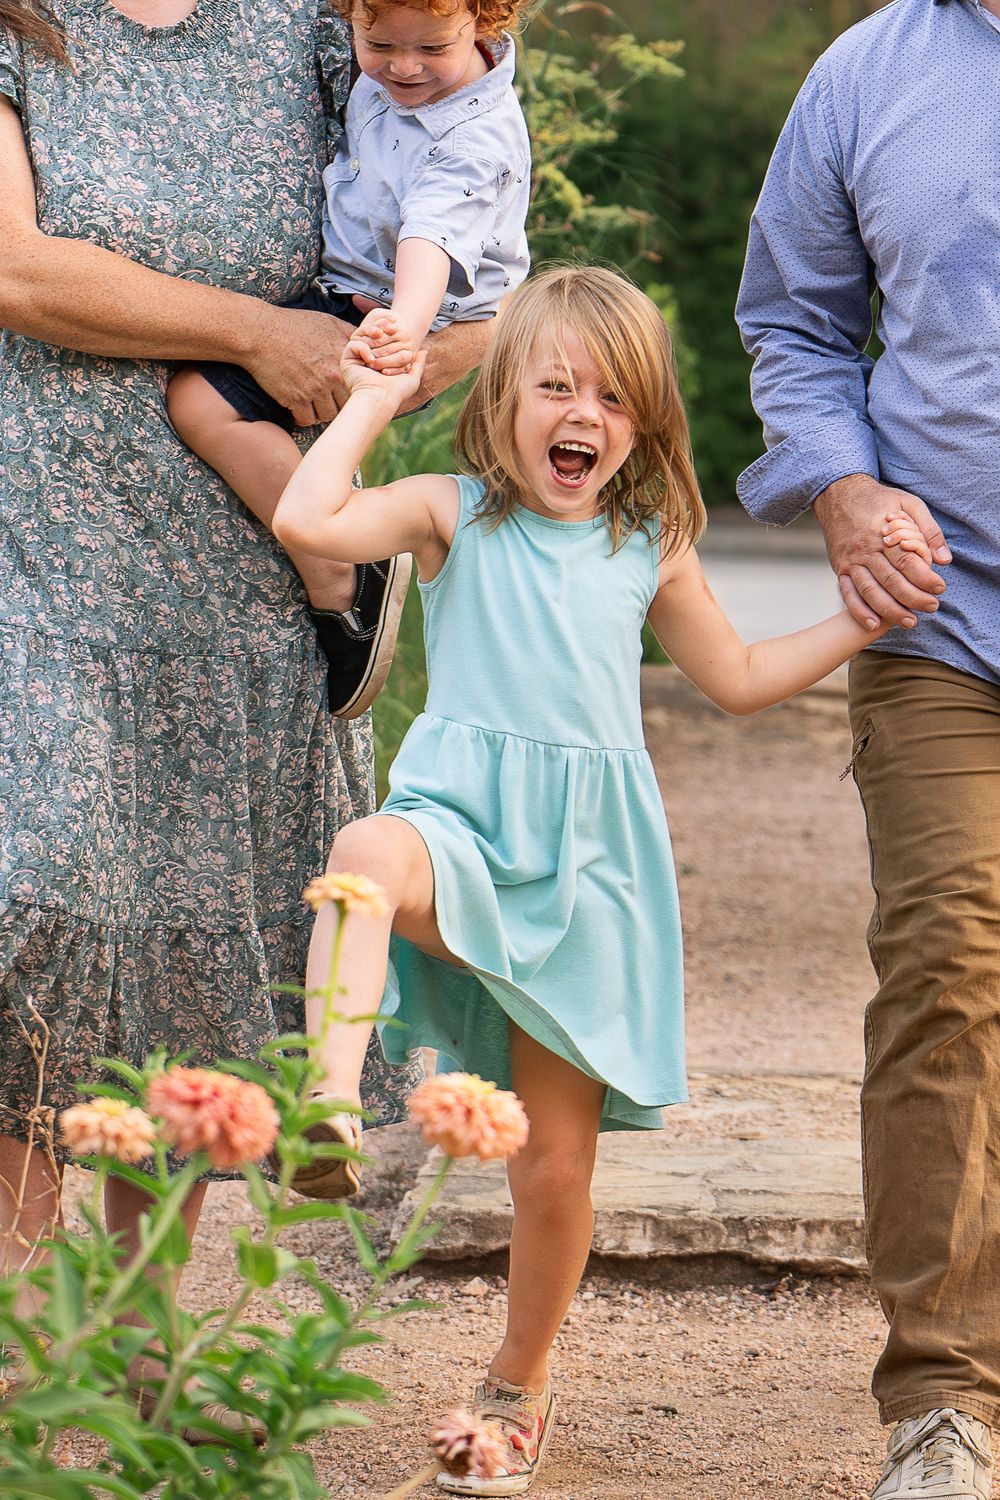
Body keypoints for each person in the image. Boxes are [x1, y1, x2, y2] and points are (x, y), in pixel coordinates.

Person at [271, 264, 926, 1495]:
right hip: (457, 830)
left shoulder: (649, 543)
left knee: (553, 1168)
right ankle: (325, 1107)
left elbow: (730, 678)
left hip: (583, 878)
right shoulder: (450, 510)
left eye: (614, 397)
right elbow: (309, 520)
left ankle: (517, 1383)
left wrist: (859, 621)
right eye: (556, 385)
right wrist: (373, 395)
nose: (583, 413)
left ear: (643, 425)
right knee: (364, 853)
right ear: (505, 397)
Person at [0, 0, 488, 1431]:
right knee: (32, 907)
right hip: (40, 552)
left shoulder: (314, 24)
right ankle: (24, 1337)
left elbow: (461, 232)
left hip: (258, 569)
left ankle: (142, 1347)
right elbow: (17, 268)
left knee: (198, 947)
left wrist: (371, 372)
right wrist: (259, 333)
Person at [735, 3, 1000, 1494]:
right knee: (951, 959)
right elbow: (794, 316)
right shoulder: (871, 69)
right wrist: (839, 482)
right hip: (941, 615)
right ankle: (945, 1405)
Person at [166, 0, 531, 718]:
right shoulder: (398, 69)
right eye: (379, 42)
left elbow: (430, 238)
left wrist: (402, 330)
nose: (402, 65)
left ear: (488, 25)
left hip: (398, 311)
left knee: (200, 403)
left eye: (430, 46)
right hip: (362, 292)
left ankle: (343, 569)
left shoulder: (475, 134)